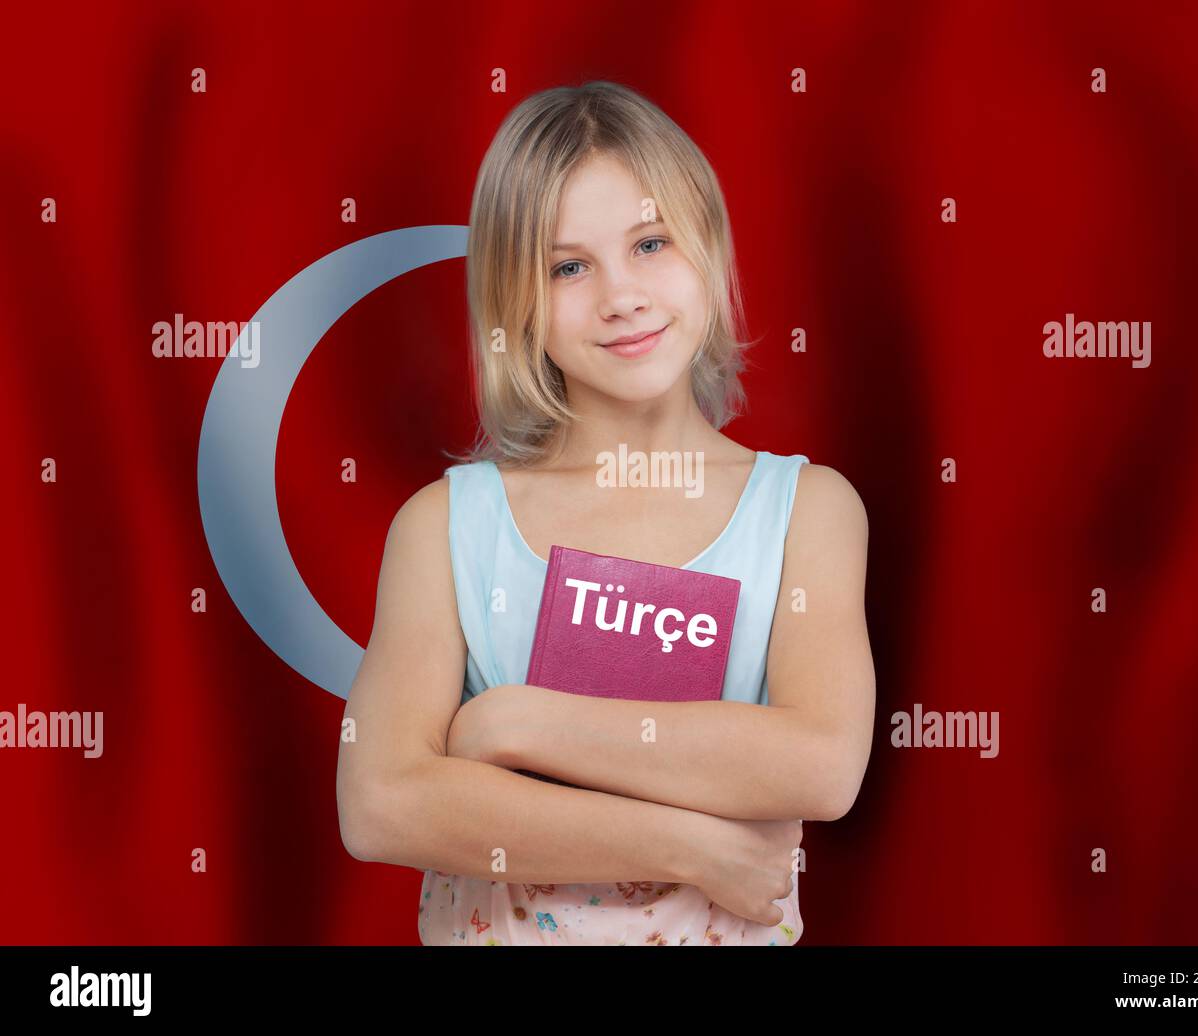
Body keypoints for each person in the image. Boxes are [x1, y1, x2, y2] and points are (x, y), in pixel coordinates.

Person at [336, 80, 875, 945]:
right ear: (516, 299)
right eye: (569, 266)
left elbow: (821, 764)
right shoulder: (447, 528)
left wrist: (515, 723)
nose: (621, 296)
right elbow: (381, 802)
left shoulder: (807, 511)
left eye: (651, 243)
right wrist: (690, 846)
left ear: (711, 246)